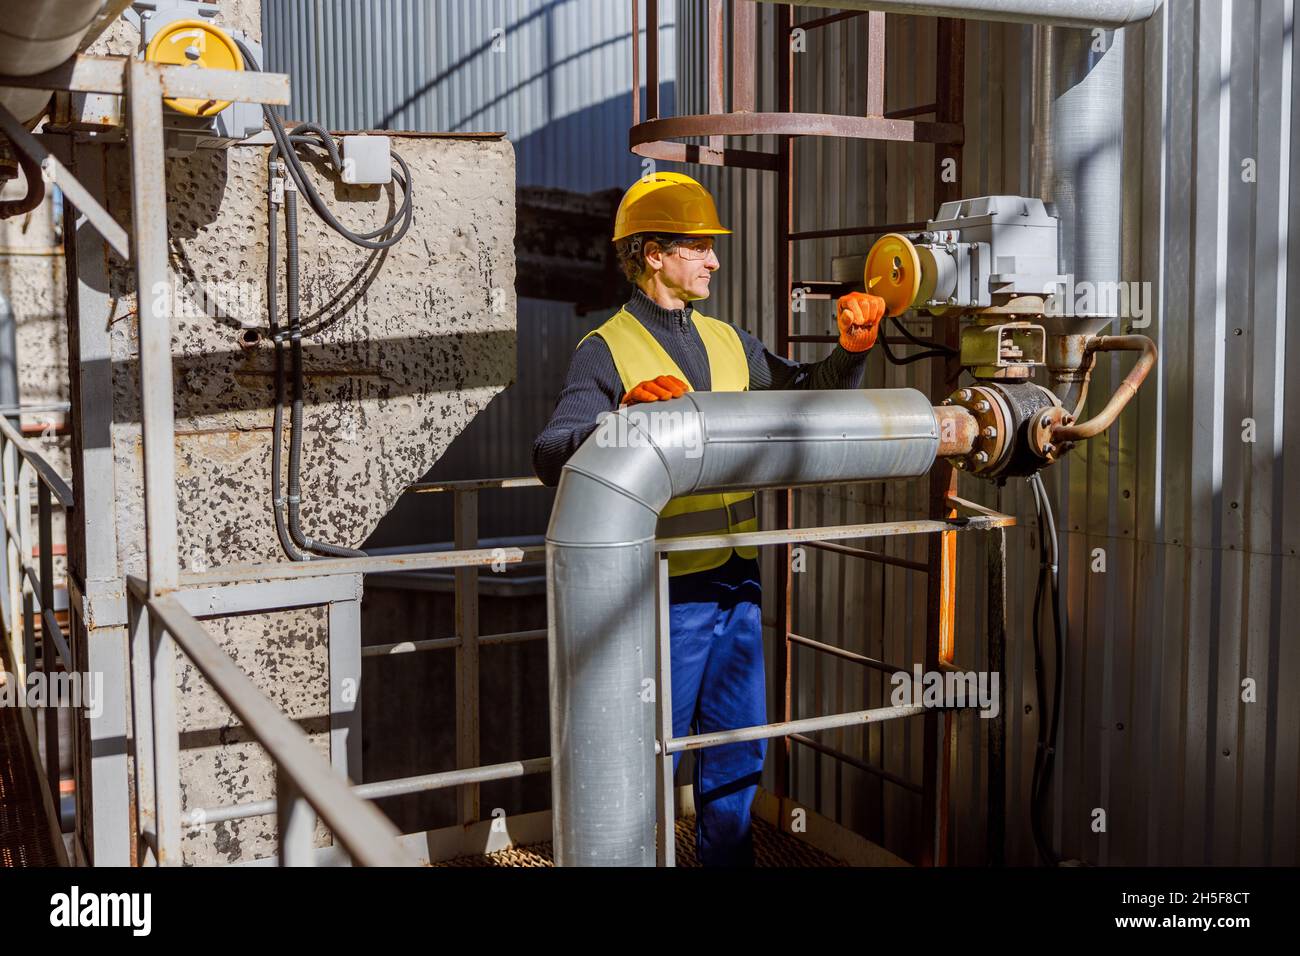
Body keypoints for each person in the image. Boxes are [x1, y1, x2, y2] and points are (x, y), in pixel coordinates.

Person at [532, 171, 885, 866]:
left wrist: (849, 352)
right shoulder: (606, 350)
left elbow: (805, 400)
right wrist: (620, 418)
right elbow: (551, 454)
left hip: (737, 583)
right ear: (652, 254)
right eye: (698, 247)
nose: (714, 261)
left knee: (737, 750)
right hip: (661, 595)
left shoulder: (731, 342)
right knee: (650, 754)